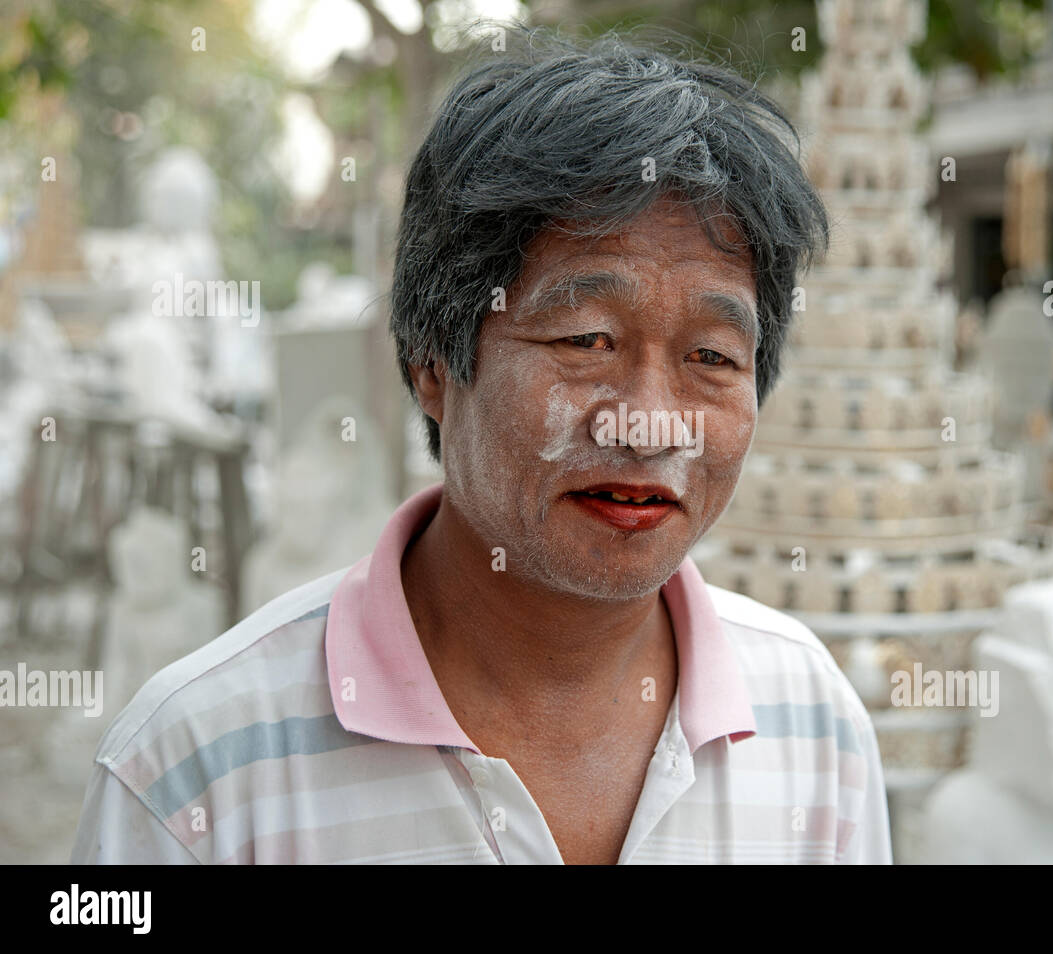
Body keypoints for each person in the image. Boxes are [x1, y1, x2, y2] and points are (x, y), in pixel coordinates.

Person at [71, 22, 892, 864]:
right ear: (433, 359)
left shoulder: (813, 728)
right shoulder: (195, 773)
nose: (650, 422)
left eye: (711, 358)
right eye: (585, 339)